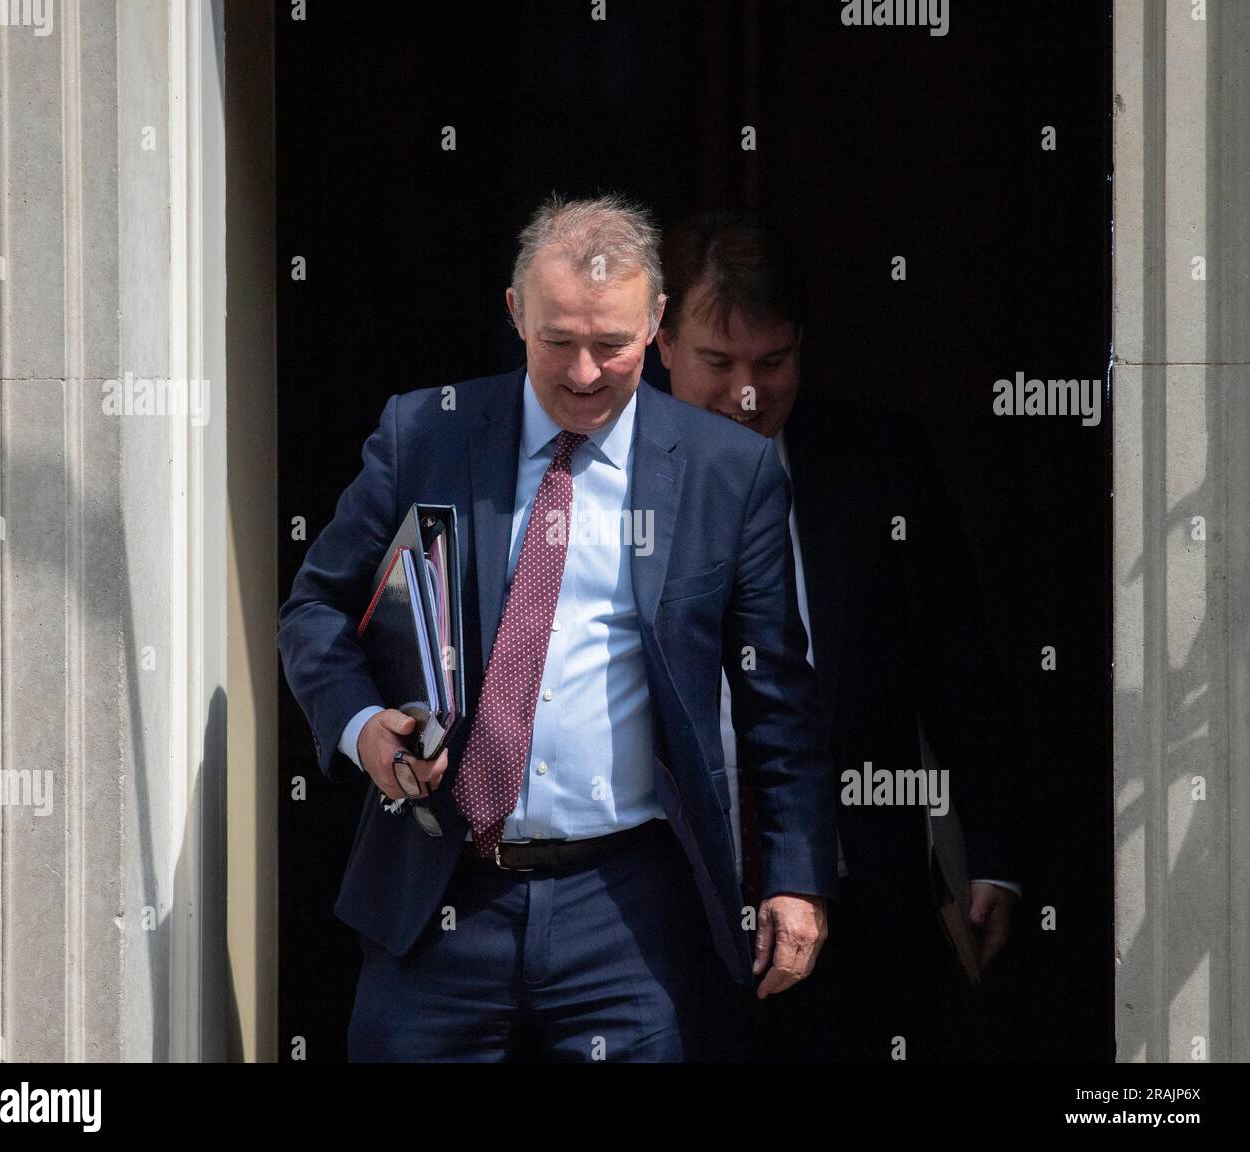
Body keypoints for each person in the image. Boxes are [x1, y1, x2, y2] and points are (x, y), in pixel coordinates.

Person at [276, 195, 838, 1062]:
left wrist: (796, 878)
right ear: (514, 313)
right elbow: (315, 609)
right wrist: (360, 729)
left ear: (655, 322)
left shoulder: (731, 472)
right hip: (439, 894)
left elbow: (778, 700)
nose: (583, 373)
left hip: (631, 910)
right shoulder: (425, 432)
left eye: (611, 345)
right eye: (557, 341)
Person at [658, 209, 1021, 1061]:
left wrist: (993, 856)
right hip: (666, 915)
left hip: (861, 907)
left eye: (773, 362)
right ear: (660, 342)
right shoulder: (597, 479)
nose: (748, 393)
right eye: (718, 362)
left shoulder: (879, 464)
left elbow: (958, 667)